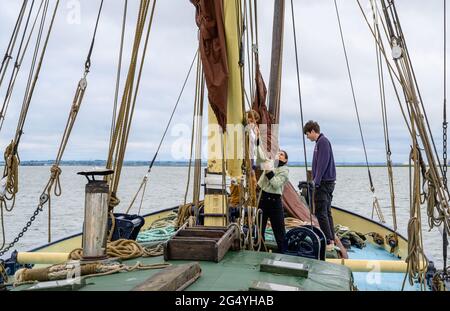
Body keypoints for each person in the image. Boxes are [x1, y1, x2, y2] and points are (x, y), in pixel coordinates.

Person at [303, 120, 337, 251]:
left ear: (312, 131)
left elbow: (322, 163)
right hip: (327, 182)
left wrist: (316, 182)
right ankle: (331, 238)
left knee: (321, 212)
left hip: (323, 184)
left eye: (307, 134)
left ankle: (328, 241)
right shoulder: (321, 142)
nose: (307, 137)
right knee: (327, 212)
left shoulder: (322, 142)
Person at [256, 141, 289, 253]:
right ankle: (259, 249)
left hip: (275, 202)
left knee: (279, 229)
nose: (279, 155)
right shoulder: (270, 163)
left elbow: (276, 184)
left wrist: (269, 172)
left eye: (282, 154)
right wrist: (257, 142)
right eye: (278, 153)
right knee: (259, 227)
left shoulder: (284, 171)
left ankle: (283, 252)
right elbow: (260, 156)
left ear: (285, 160)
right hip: (264, 198)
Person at [246, 110, 260, 207]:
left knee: (253, 184)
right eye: (254, 121)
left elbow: (255, 144)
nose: (255, 123)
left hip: (251, 158)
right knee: (251, 184)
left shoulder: (252, 129)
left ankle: (252, 209)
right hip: (246, 159)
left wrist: (258, 135)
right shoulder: (246, 128)